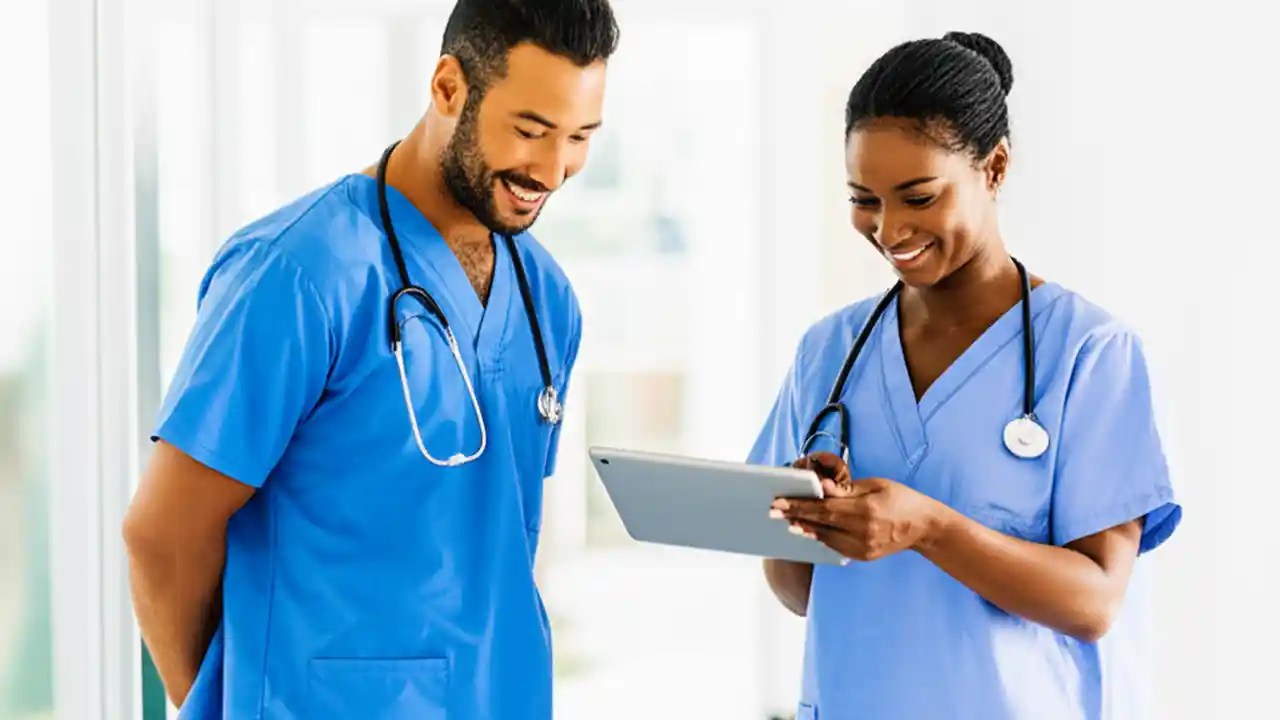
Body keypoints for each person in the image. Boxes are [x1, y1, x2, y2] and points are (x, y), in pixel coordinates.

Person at [122, 1, 618, 717]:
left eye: (579, 136)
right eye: (530, 130)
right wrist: (221, 700)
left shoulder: (548, 300)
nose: (552, 167)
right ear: (448, 87)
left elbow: (489, 537)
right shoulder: (298, 273)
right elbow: (163, 535)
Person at [753, 31, 1181, 720]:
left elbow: (1095, 601)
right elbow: (798, 592)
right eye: (865, 198)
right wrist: (812, 516)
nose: (889, 230)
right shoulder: (829, 351)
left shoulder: (1090, 353)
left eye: (918, 197)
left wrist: (927, 527)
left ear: (996, 167)